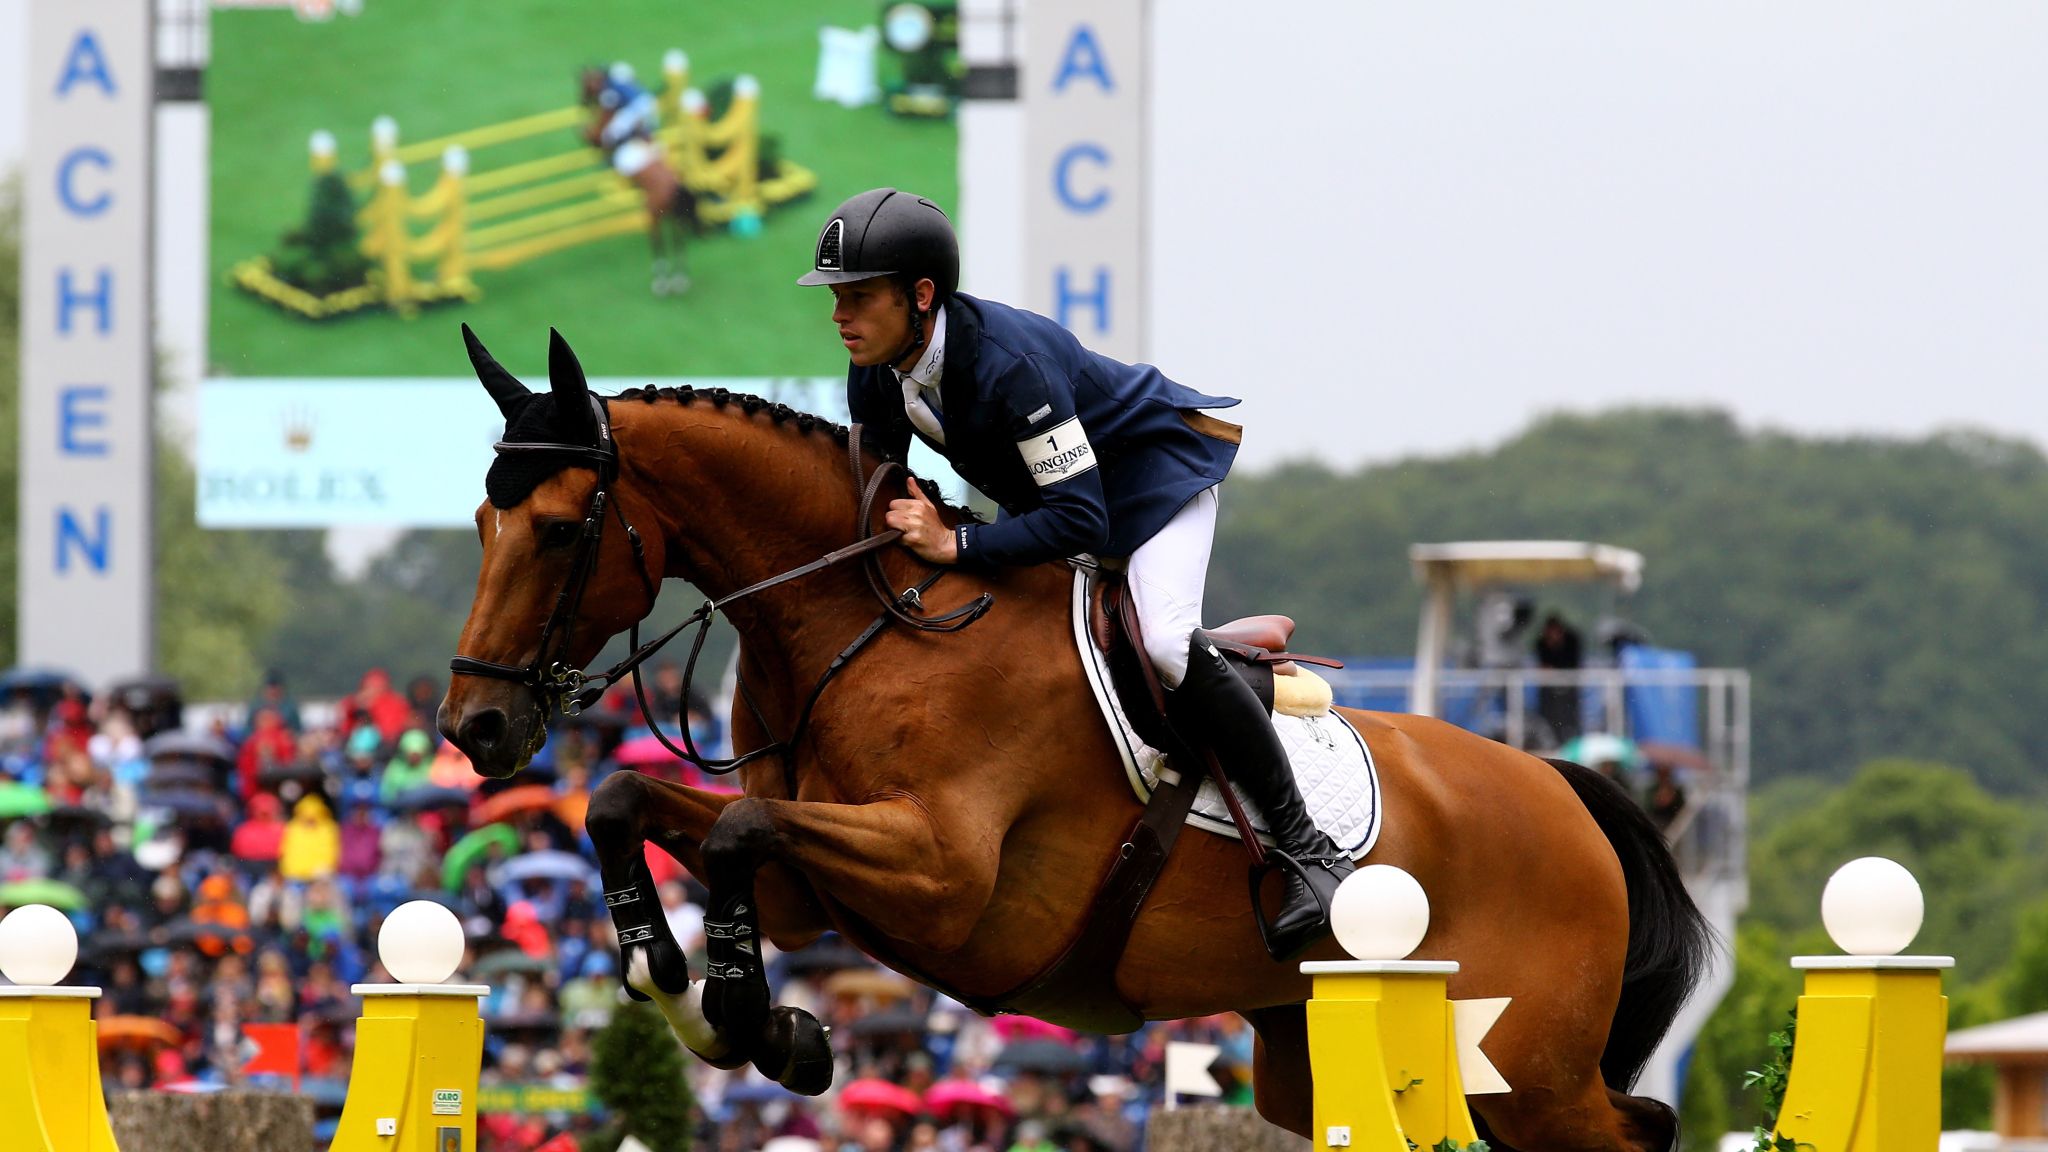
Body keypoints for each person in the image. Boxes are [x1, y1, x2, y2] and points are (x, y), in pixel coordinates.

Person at [797, 188, 1351, 959]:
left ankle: (1308, 851)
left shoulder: (1010, 364)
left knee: (1162, 643)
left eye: (858, 298)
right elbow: (886, 494)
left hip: (1154, 491)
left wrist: (957, 547)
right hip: (1059, 506)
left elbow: (1083, 522)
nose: (839, 317)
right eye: (836, 299)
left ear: (920, 296)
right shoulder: (878, 367)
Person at [1532, 611, 1583, 746]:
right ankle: (1551, 741)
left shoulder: (1572, 640)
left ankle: (1571, 740)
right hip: (1549, 691)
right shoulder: (1542, 642)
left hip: (1569, 687)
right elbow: (1543, 665)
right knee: (1549, 718)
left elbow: (1573, 663)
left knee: (1570, 717)